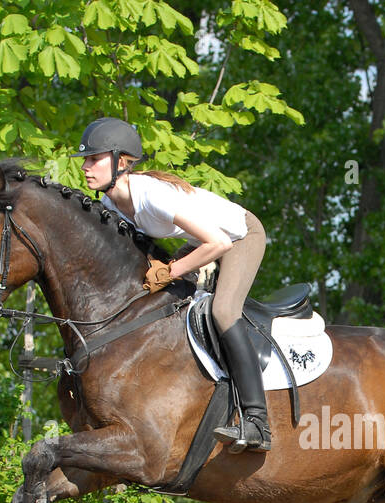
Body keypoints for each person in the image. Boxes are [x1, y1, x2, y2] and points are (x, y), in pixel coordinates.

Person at [71, 117, 271, 452]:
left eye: (94, 159)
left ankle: (256, 422)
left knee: (223, 311)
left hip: (239, 236)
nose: (86, 167)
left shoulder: (152, 197)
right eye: (86, 160)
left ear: (121, 163)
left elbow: (219, 243)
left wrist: (171, 270)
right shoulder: (111, 203)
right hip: (200, 241)